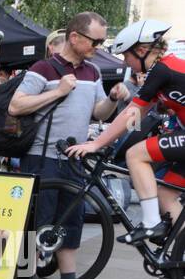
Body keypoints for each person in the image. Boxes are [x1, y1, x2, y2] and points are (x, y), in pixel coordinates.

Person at [9, 12, 123, 279]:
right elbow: (16, 106)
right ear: (75, 37)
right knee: (37, 220)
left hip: (73, 157)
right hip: (41, 157)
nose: (98, 47)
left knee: (71, 220)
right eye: (95, 41)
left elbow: (97, 113)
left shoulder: (93, 71)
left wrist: (112, 99)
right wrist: (57, 91)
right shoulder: (44, 68)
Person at [67, 19, 182, 244]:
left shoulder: (162, 69)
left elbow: (131, 113)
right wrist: (109, 140)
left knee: (135, 155)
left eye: (126, 55)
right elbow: (136, 119)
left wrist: (96, 144)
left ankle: (151, 223)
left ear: (142, 50)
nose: (125, 62)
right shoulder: (165, 70)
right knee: (165, 195)